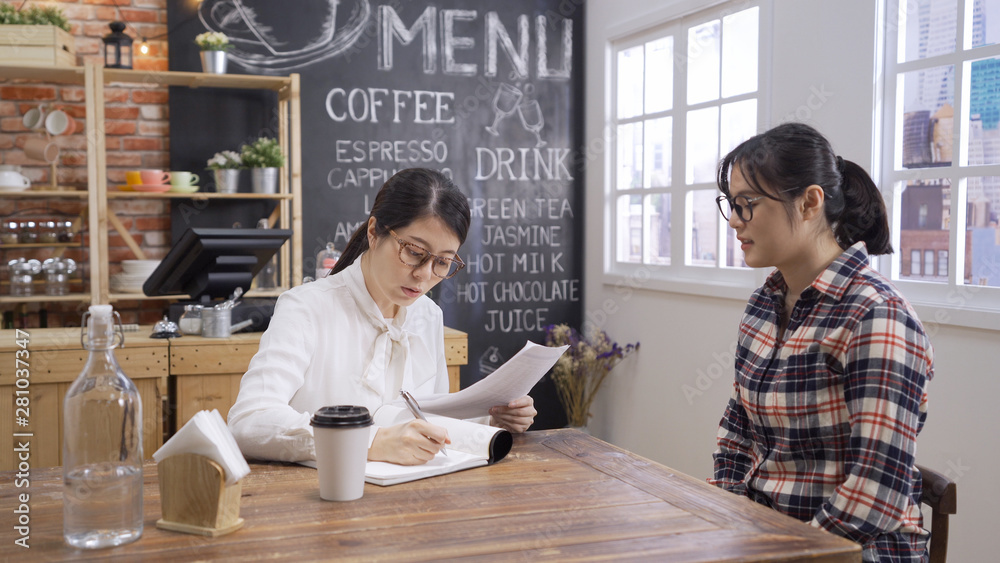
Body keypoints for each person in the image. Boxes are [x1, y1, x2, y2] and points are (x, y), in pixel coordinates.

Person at [709, 123, 933, 562]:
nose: (735, 221)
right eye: (732, 206)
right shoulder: (763, 304)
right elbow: (737, 432)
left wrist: (791, 552)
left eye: (748, 205)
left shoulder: (876, 314)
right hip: (767, 540)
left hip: (852, 551)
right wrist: (725, 515)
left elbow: (877, 490)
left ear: (810, 201)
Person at [228, 168, 536, 466]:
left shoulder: (427, 315)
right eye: (414, 252)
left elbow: (427, 417)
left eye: (442, 262)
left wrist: (489, 418)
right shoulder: (306, 308)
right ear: (374, 232)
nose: (423, 275)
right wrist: (369, 442)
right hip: (323, 499)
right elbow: (250, 422)